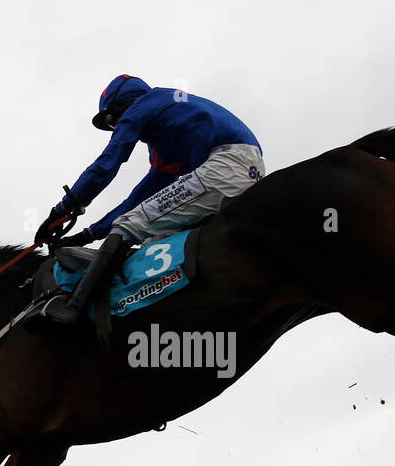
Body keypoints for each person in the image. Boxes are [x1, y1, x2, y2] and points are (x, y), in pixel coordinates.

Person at [31, 74, 264, 327]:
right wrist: (85, 236)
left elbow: (106, 165)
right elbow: (137, 200)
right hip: (248, 170)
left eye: (113, 120)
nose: (116, 127)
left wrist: (62, 210)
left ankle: (73, 308)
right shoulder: (166, 127)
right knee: (150, 239)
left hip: (227, 166)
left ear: (124, 104)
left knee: (128, 227)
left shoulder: (143, 105)